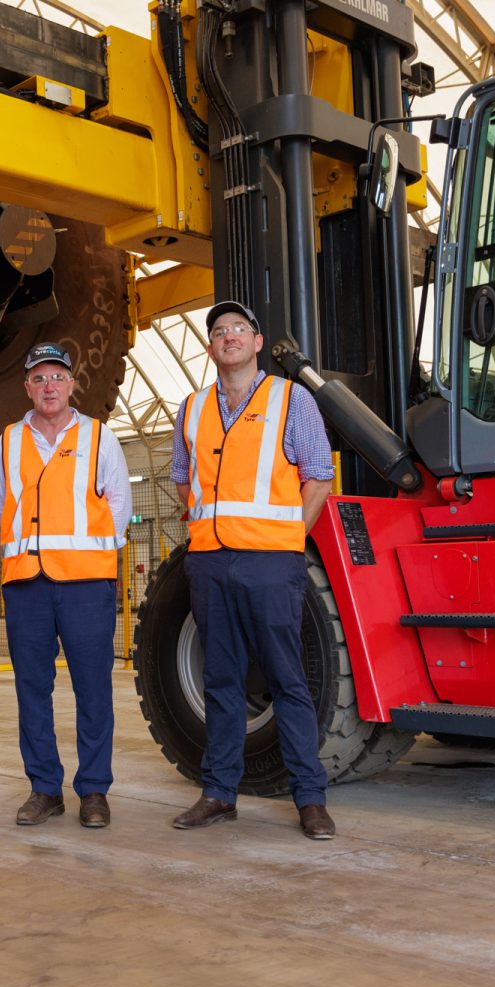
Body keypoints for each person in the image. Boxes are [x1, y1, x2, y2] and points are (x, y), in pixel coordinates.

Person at [169, 301, 338, 840]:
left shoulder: (293, 400)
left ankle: (309, 798)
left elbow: (318, 477)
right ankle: (219, 792)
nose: (228, 336)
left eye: (238, 328)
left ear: (258, 342)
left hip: (271, 563)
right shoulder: (192, 408)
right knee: (221, 680)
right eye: (218, 331)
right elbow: (181, 478)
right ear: (211, 346)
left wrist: (292, 538)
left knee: (287, 678)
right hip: (211, 563)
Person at [0, 342, 131, 828]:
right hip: (26, 583)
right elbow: (6, 508)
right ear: (26, 387)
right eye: (39, 378)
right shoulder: (7, 440)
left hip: (86, 585)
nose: (49, 386)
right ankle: (44, 788)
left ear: (72, 384)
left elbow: (120, 506)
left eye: (57, 377)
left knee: (93, 690)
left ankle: (94, 791)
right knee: (33, 690)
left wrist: (93, 555)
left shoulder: (99, 437)